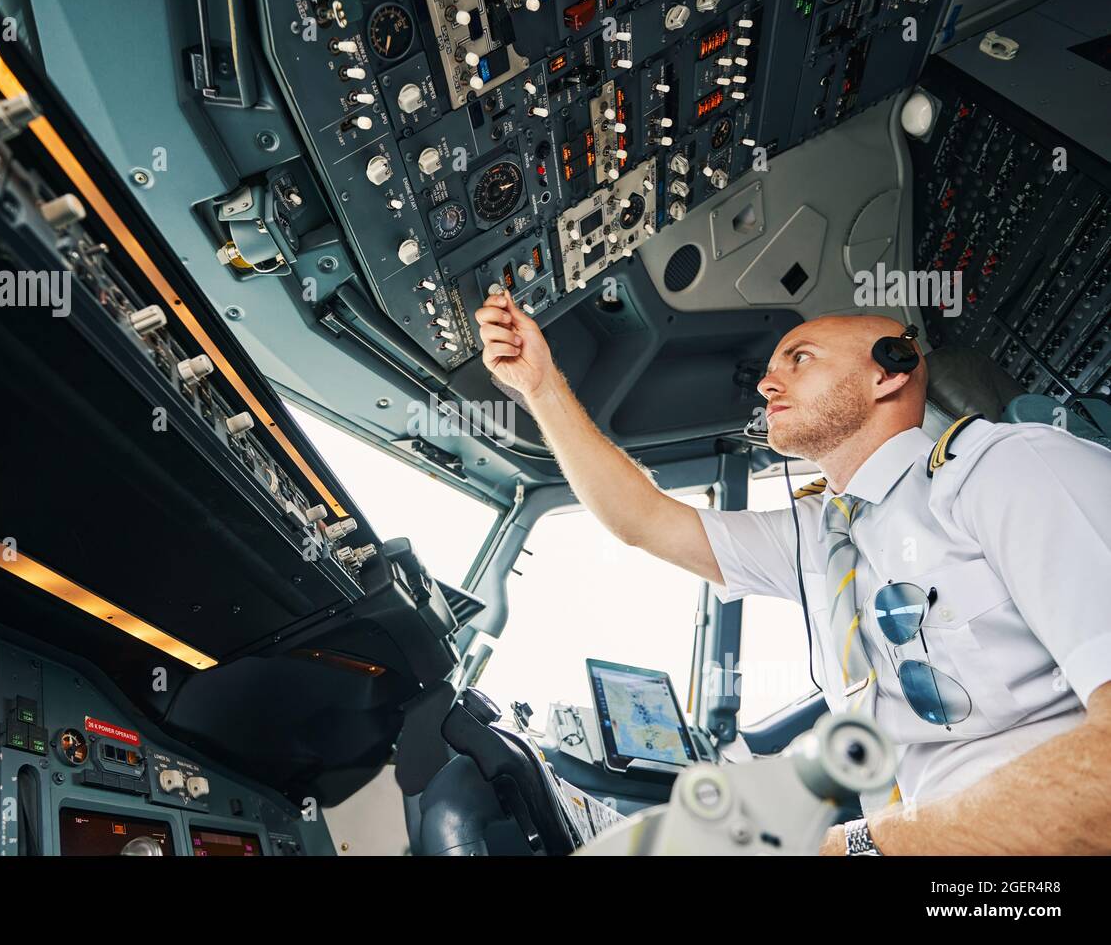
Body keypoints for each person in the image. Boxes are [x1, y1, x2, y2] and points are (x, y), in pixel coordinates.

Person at [474, 290, 1111, 855]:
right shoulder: (818, 538)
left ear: (890, 371)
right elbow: (643, 519)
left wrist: (853, 850)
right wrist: (541, 388)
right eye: (771, 369)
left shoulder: (1012, 470)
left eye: (799, 358)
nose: (766, 385)